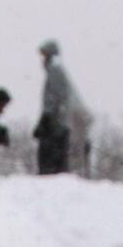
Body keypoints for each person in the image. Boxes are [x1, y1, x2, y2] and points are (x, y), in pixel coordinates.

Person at [34, 38, 91, 176]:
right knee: (54, 165)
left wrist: (46, 119)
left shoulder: (55, 71)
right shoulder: (56, 71)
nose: (42, 60)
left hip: (55, 127)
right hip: (57, 126)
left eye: (44, 55)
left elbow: (57, 99)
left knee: (50, 166)